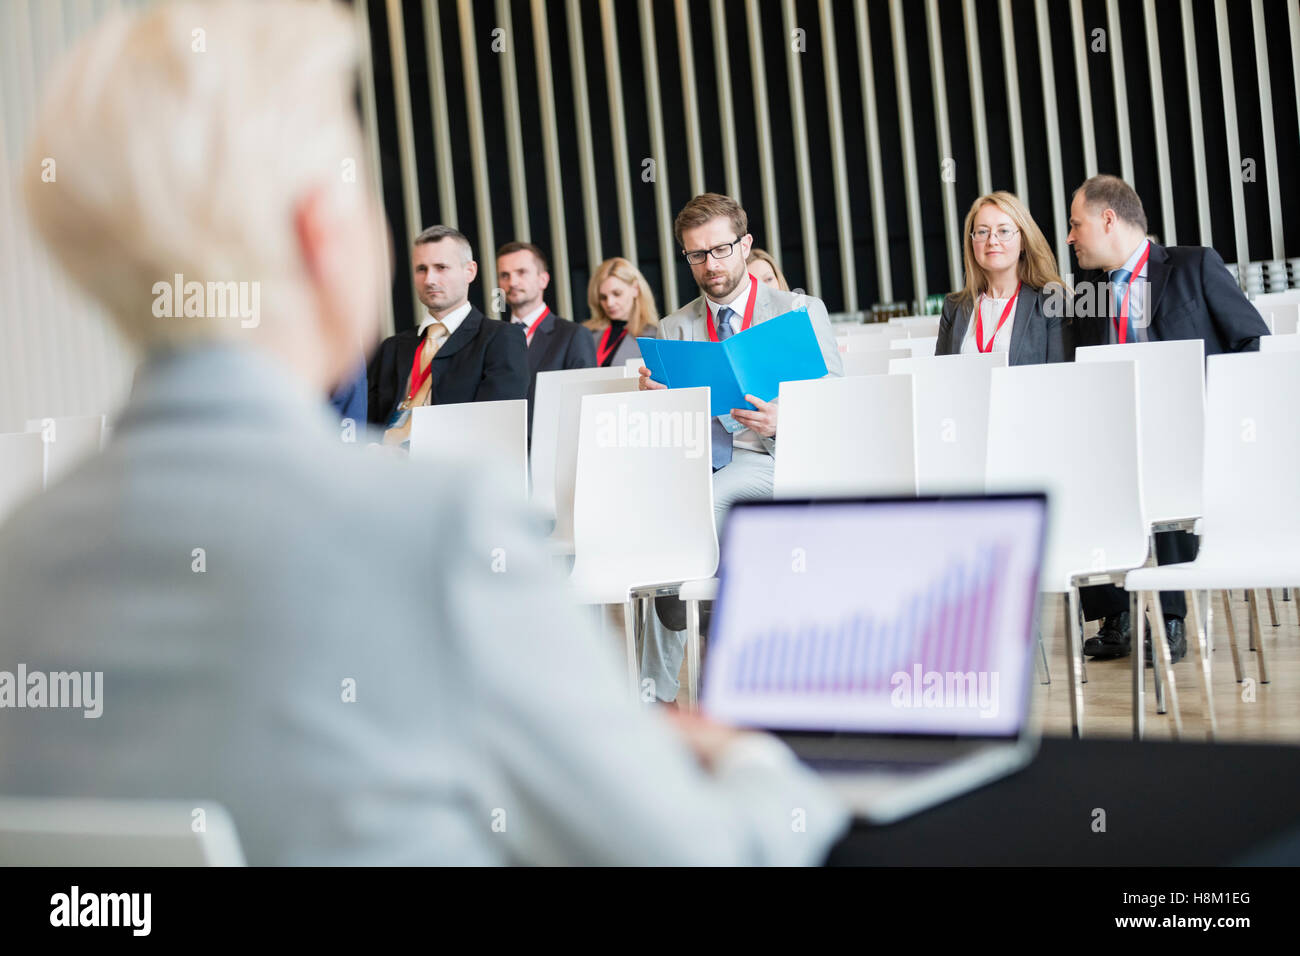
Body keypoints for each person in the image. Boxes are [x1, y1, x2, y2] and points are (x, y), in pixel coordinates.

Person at [2, 0, 849, 866]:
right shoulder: (443, 532)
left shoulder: (19, 560)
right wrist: (750, 758)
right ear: (324, 235)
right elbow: (702, 858)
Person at [637, 193, 843, 704]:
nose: (711, 264)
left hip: (778, 459)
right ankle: (656, 694)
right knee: (657, 516)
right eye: (696, 255)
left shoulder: (796, 309)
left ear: (745, 244)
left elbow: (842, 405)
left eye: (722, 249)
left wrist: (783, 421)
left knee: (690, 514)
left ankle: (669, 691)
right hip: (702, 463)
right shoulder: (674, 327)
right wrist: (657, 404)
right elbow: (669, 434)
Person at [1067, 174, 1270, 665]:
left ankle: (1171, 621)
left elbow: (1252, 342)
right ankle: (1115, 614)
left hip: (1193, 431)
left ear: (1108, 219)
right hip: (1119, 432)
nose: (1070, 237)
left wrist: (1229, 418)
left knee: (1166, 449)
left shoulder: (1193, 265)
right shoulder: (1085, 291)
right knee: (1082, 467)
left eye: (1076, 225)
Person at [367, 226, 528, 444]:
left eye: (441, 267)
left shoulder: (500, 339)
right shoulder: (391, 348)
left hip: (451, 468)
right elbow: (366, 424)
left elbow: (493, 430)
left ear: (469, 271)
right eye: (421, 269)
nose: (429, 280)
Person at [935, 191, 1072, 363]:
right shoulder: (953, 307)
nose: (992, 240)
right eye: (983, 231)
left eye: (1004, 231)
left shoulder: (1053, 302)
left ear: (1023, 241)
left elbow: (1060, 379)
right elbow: (941, 377)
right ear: (972, 242)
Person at [497, 241, 596, 437]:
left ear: (543, 279)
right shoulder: (493, 338)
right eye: (504, 275)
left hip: (551, 451)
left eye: (521, 272)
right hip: (498, 448)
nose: (512, 282)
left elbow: (584, 406)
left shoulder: (573, 335)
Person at [583, 257, 659, 367]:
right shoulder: (586, 334)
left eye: (617, 294)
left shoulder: (654, 338)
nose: (609, 303)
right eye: (603, 297)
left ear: (635, 289)